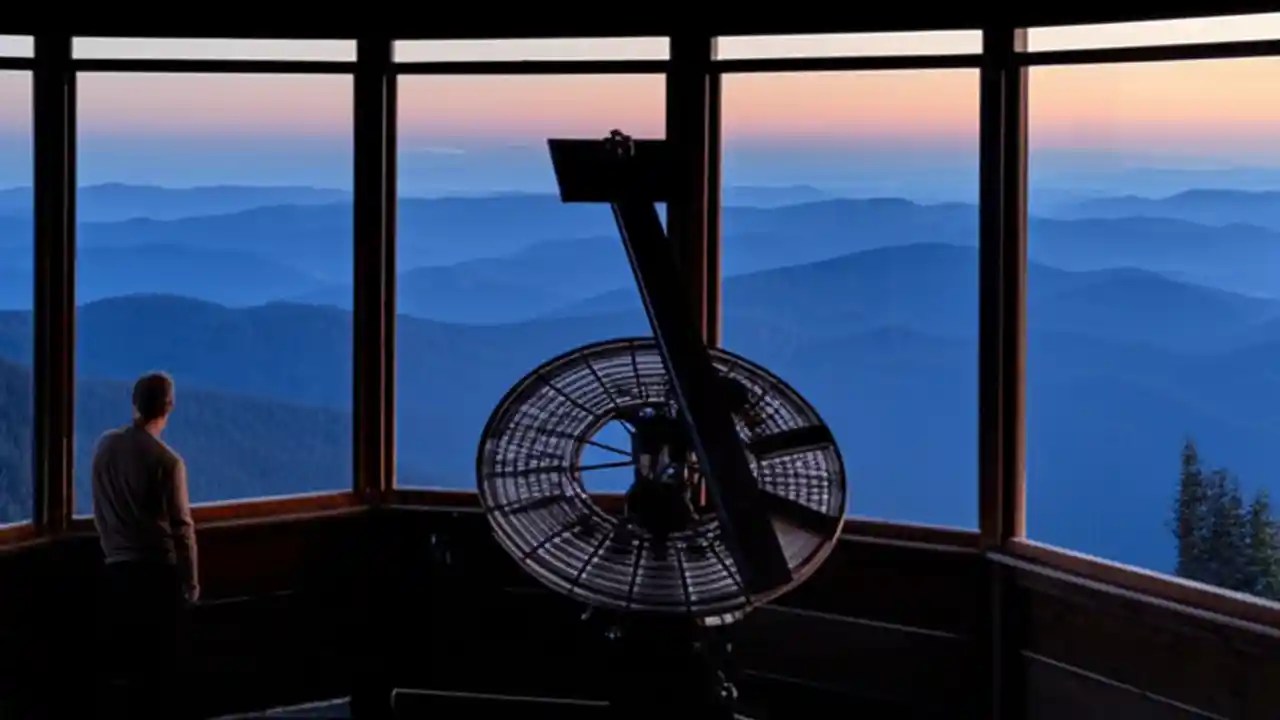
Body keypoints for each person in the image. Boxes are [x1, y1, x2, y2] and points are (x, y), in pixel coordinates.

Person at [92, 371, 198, 717]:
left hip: (115, 573)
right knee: (161, 672)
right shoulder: (168, 462)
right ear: (169, 407)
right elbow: (182, 528)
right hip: (157, 579)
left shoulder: (105, 446)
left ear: (135, 403)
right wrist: (190, 581)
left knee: (124, 670)